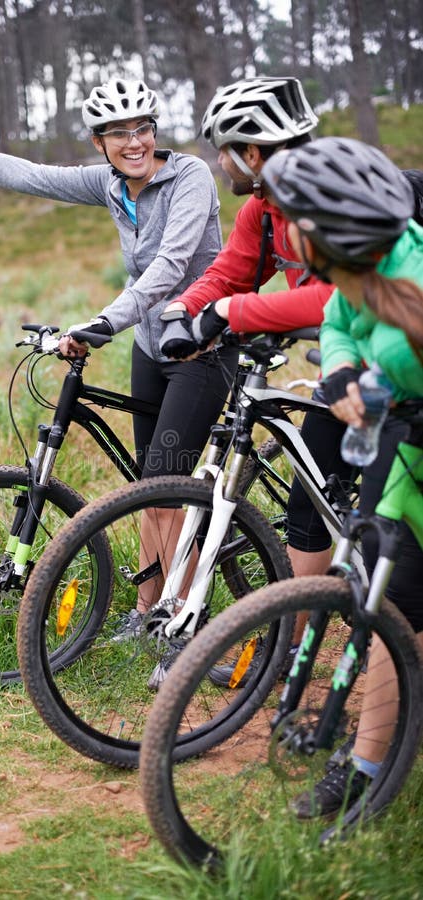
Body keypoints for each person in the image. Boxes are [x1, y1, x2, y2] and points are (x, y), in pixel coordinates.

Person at [0, 78, 238, 685]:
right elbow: (29, 174)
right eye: (119, 133)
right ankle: (146, 612)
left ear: (155, 132)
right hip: (149, 346)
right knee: (148, 485)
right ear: (100, 142)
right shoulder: (110, 185)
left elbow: (168, 267)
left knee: (167, 486)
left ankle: (187, 630)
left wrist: (103, 322)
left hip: (201, 349)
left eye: (143, 129)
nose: (134, 142)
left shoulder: (189, 177)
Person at [261, 135, 423, 818]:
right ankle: (364, 764)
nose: (282, 229)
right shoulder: (362, 269)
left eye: (291, 218)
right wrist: (336, 371)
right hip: (407, 455)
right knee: (393, 602)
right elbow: (335, 323)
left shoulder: (411, 273)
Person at [158, 76, 335, 658]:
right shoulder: (263, 209)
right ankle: (296, 646)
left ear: (253, 153)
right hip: (351, 361)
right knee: (310, 506)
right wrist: (186, 307)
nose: (218, 161)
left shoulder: (330, 198)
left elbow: (342, 299)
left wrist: (233, 312)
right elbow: (231, 272)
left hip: (399, 359)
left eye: (223, 148)